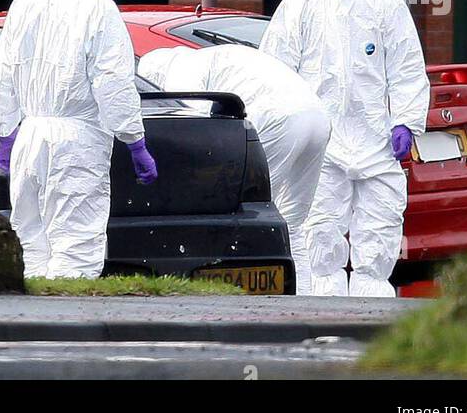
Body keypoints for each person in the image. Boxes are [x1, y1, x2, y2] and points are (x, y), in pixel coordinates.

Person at [261, 0, 429, 298]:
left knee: (382, 223)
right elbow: (275, 72)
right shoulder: (300, 5)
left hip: (376, 140)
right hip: (323, 144)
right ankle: (323, 306)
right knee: (319, 226)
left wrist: (405, 121)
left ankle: (373, 300)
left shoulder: (386, 5)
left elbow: (406, 69)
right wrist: (288, 126)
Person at [0, 0, 157, 278]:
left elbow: (2, 71)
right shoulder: (99, 9)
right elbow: (113, 83)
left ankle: (28, 328)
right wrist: (135, 141)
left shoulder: (25, 3)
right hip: (78, 142)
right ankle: (66, 331)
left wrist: (3, 131)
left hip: (30, 138)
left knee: (30, 243)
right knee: (76, 248)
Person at [139, 43, 330, 295]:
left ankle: (239, 296)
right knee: (292, 224)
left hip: (279, 119)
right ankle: (303, 301)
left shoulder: (178, 71)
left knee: (247, 212)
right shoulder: (210, 58)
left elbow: (192, 128)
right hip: (317, 116)